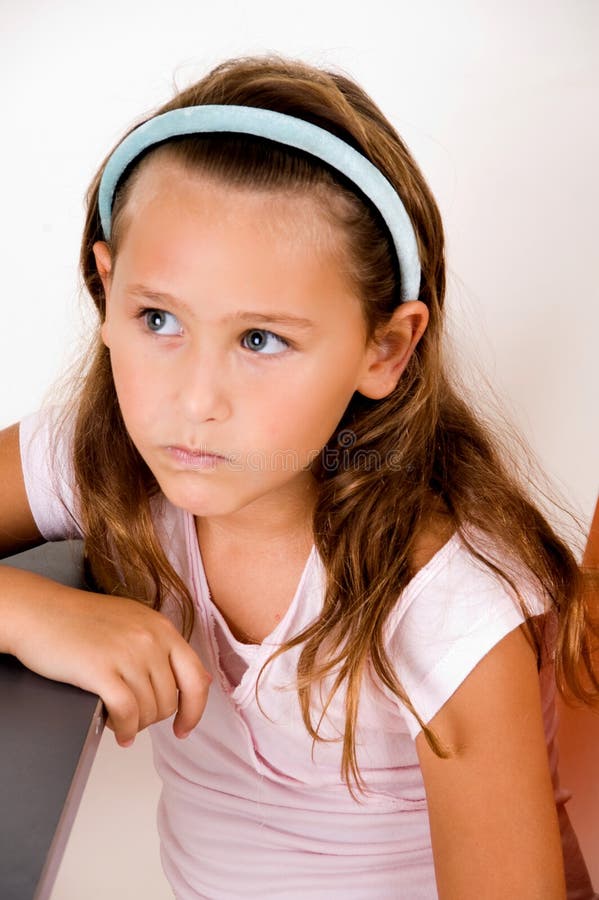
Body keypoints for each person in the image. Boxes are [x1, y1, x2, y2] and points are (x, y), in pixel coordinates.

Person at [0, 53, 597, 899]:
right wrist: (26, 611)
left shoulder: (445, 603)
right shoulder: (102, 457)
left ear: (384, 348)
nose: (194, 401)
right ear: (108, 288)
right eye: (158, 318)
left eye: (260, 340)